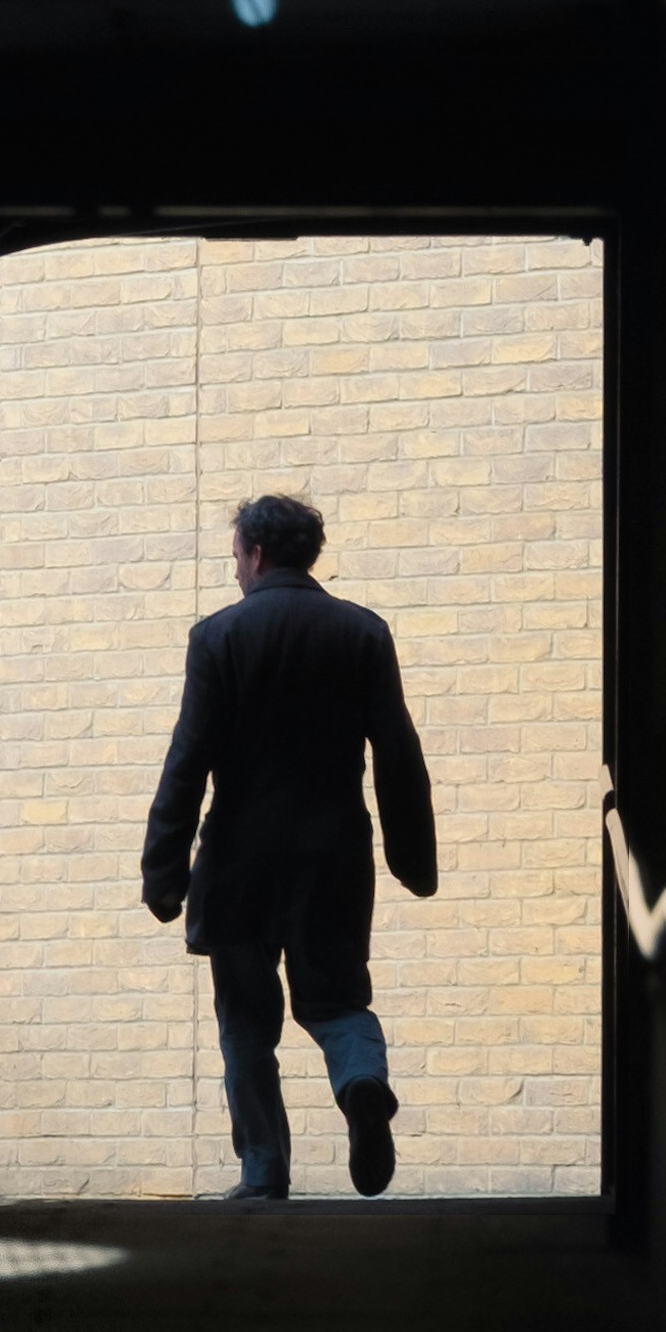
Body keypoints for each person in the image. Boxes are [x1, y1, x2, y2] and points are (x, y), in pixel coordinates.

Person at [139, 489, 439, 1201]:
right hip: (334, 857)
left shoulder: (217, 638)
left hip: (241, 862)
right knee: (338, 1001)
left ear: (257, 552)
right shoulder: (363, 633)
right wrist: (412, 858)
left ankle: (264, 1171)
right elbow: (398, 752)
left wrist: (164, 870)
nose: (235, 568)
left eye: (236, 555)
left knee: (246, 1023)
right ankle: (362, 1085)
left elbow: (189, 759)